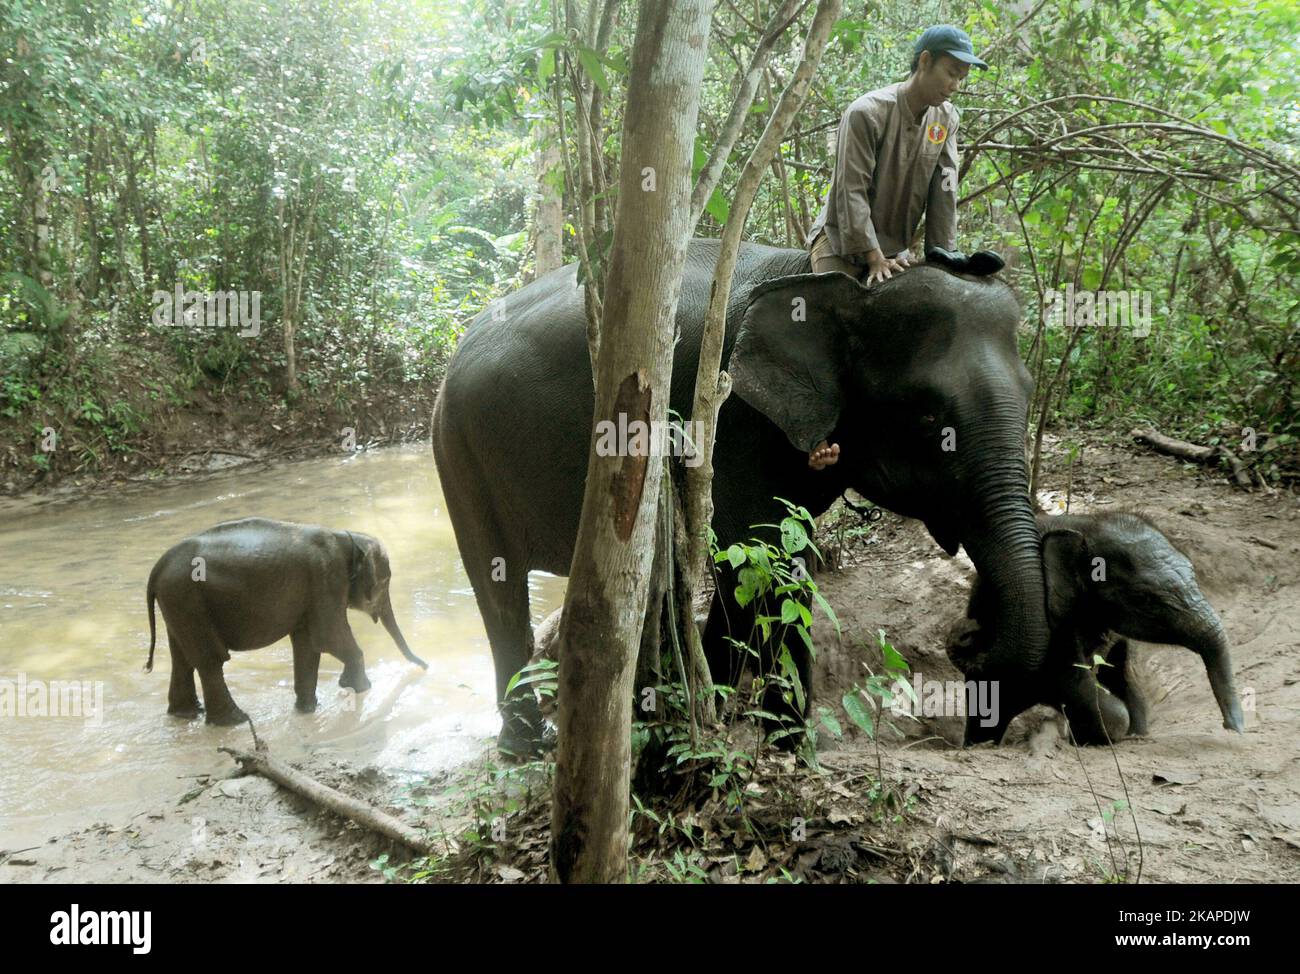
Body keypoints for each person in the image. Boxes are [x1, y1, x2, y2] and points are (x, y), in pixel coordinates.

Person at [804, 24, 989, 471]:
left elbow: (944, 190)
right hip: (843, 244)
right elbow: (850, 190)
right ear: (924, 61)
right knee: (829, 337)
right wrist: (872, 256)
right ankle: (815, 439)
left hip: (896, 252)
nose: (955, 83)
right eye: (951, 71)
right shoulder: (867, 112)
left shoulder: (946, 121)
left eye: (963, 75)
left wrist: (943, 256)